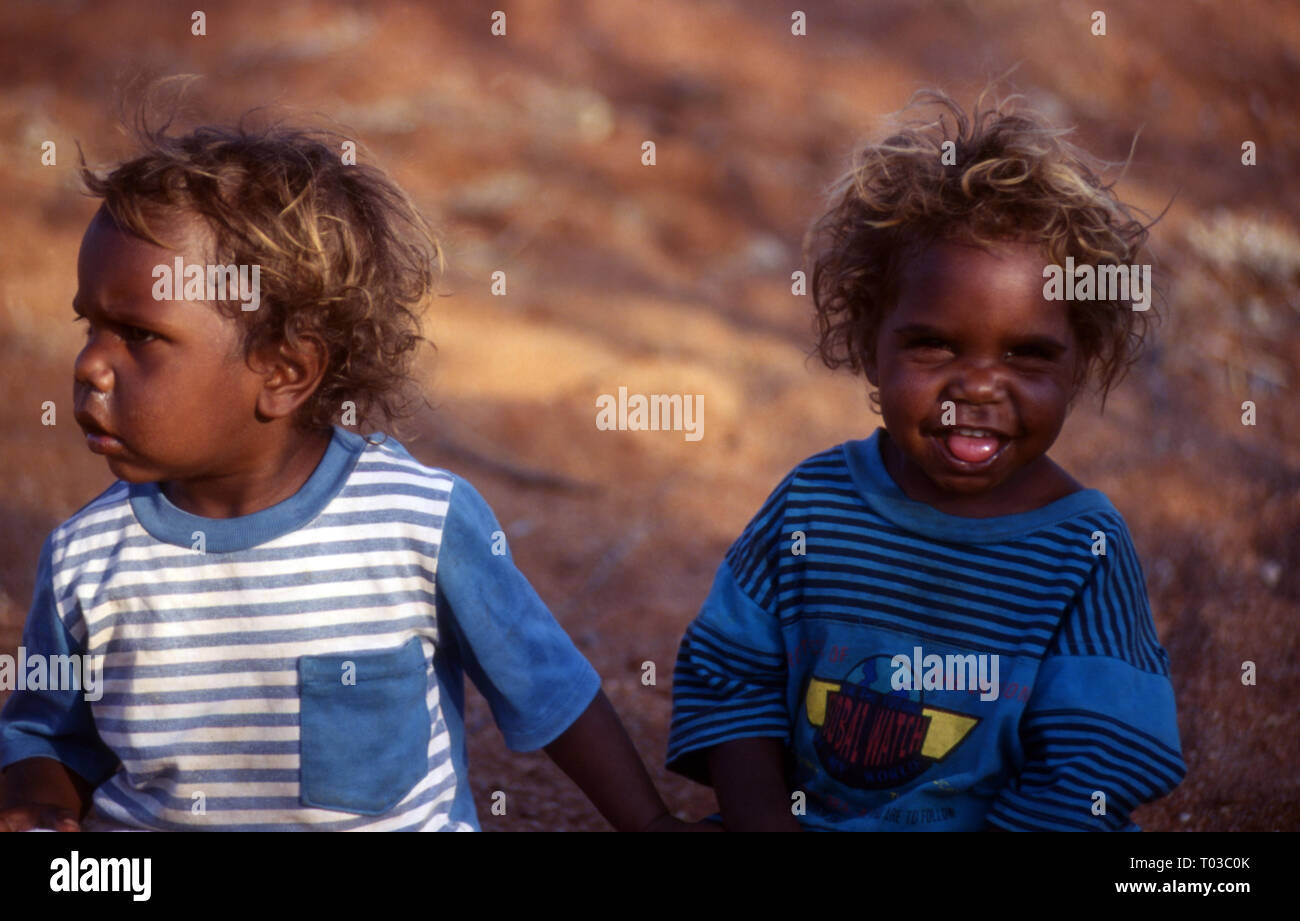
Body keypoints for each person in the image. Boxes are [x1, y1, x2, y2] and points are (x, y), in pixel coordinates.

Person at [0, 103, 690, 832]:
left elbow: (548, 687)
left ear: (285, 371)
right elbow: (47, 734)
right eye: (90, 325)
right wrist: (40, 804)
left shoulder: (416, 522)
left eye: (139, 335)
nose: (89, 365)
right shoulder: (85, 557)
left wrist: (650, 823)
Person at [666, 87, 1186, 831]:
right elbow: (731, 679)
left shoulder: (1083, 549)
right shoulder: (812, 505)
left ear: (1084, 360)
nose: (977, 384)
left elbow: (1095, 760)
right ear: (869, 341)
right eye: (934, 343)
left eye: (1028, 354)